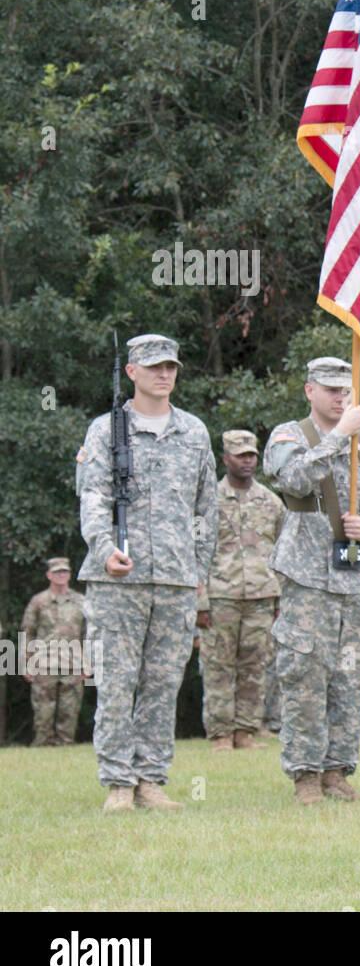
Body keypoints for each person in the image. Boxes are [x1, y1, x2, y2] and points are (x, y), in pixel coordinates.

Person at [75, 333, 217, 812]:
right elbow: (92, 498)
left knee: (162, 683)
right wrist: (104, 546)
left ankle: (150, 780)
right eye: (155, 366)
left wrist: (200, 570)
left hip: (176, 579)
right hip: (118, 577)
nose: (165, 374)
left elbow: (205, 509)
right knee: (116, 680)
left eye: (171, 366)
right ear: (132, 372)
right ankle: (118, 782)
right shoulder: (105, 430)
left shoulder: (194, 432)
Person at [264, 356, 360, 804]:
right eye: (329, 389)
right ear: (309, 391)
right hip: (309, 579)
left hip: (359, 580)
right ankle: (305, 776)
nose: (339, 396)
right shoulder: (290, 436)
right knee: (305, 675)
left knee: (351, 677)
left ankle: (337, 772)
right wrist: (337, 437)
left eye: (345, 390)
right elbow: (292, 480)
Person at [196, 430, 285, 752]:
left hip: (261, 597)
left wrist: (279, 599)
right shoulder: (207, 501)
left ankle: (246, 731)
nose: (247, 460)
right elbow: (196, 553)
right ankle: (220, 734)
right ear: (225, 459)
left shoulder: (271, 502)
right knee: (218, 667)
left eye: (252, 455)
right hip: (220, 596)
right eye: (240, 455)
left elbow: (282, 553)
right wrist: (199, 602)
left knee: (255, 666)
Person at [21, 557, 87, 746]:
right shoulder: (38, 601)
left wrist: (89, 663)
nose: (61, 575)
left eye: (64, 571)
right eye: (57, 572)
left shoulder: (80, 601)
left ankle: (65, 746)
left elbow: (88, 634)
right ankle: (42, 747)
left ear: (70, 574)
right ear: (49, 575)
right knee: (43, 712)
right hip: (44, 663)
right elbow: (27, 633)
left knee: (70, 710)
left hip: (72, 663)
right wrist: (26, 663)